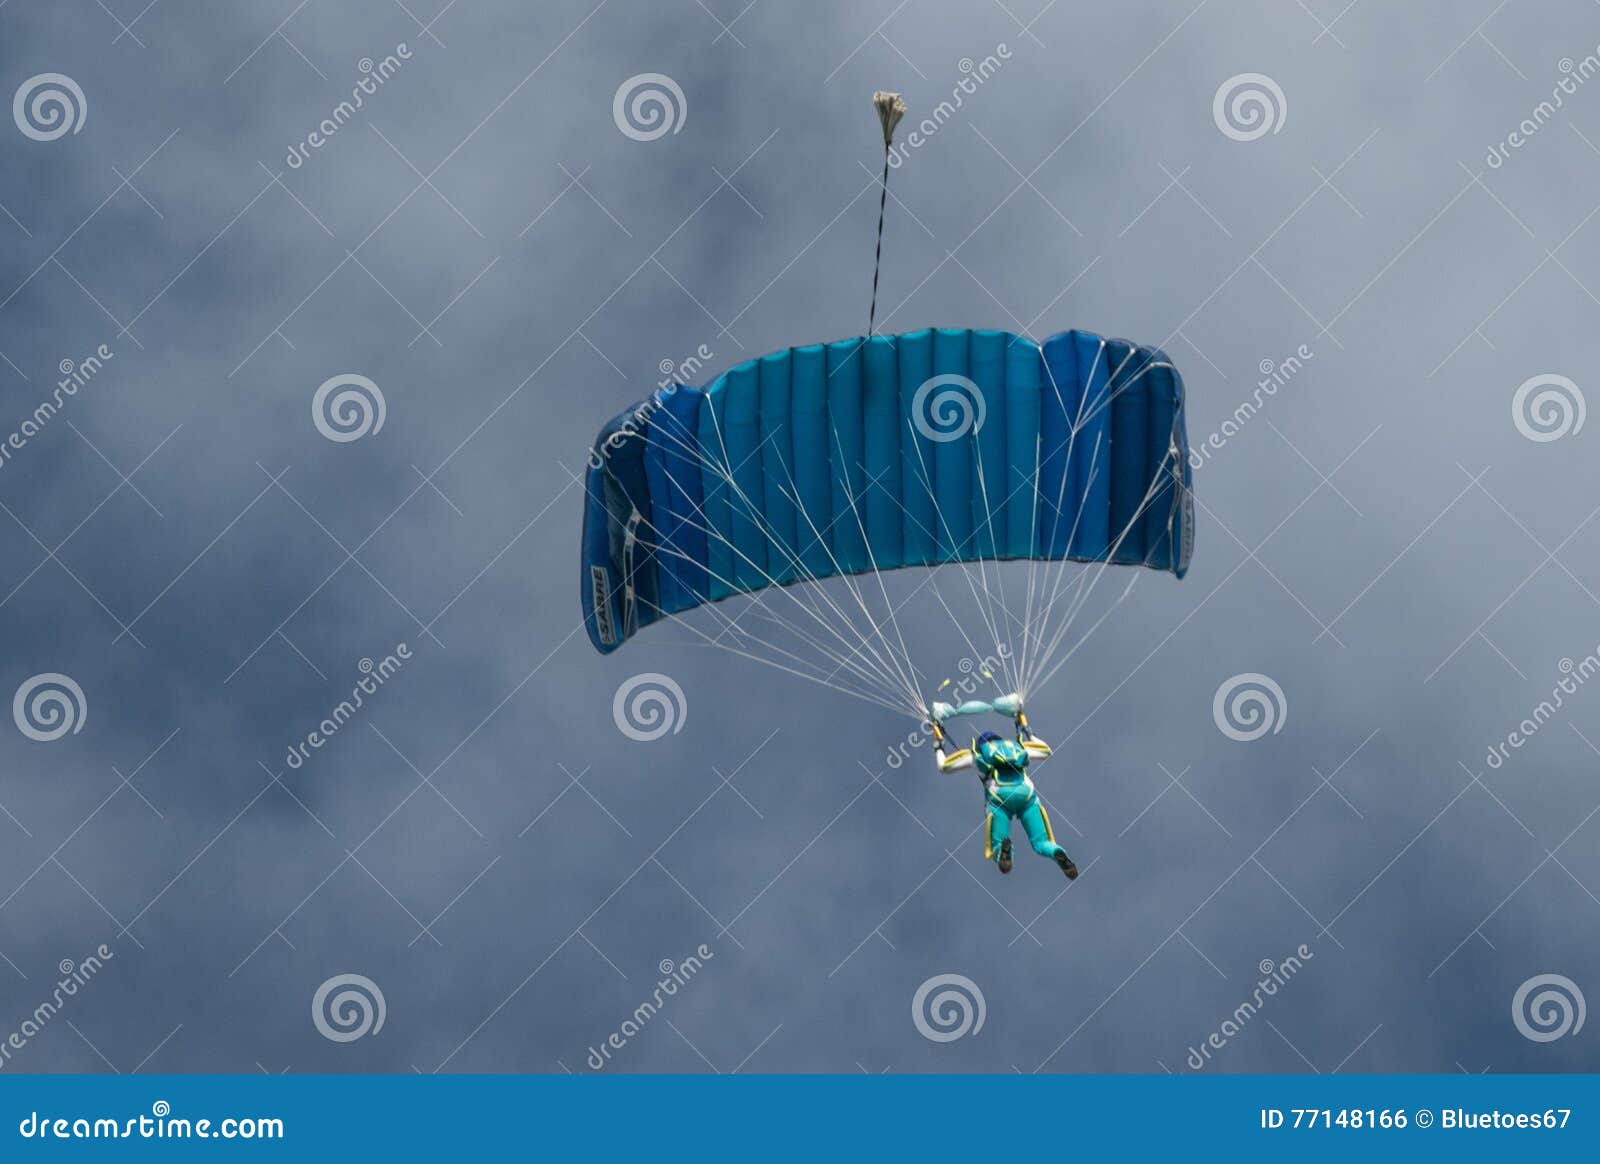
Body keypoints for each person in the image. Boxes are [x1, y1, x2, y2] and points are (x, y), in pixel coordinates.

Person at [932, 710, 1078, 879]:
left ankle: (1003, 851)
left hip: (1000, 799)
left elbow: (944, 766)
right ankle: (1057, 852)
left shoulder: (977, 755)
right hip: (1026, 796)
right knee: (1041, 842)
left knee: (997, 845)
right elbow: (1046, 751)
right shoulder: (1017, 748)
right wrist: (1027, 731)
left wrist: (938, 745)